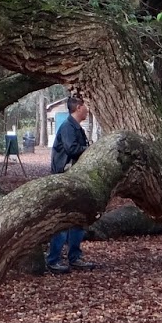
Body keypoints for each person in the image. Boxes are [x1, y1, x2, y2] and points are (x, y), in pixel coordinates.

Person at [47, 96, 95, 274]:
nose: (87, 110)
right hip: (64, 179)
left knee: (78, 219)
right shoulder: (68, 127)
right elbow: (72, 149)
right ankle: (53, 260)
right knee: (62, 220)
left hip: (75, 179)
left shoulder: (77, 128)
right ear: (78, 107)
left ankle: (75, 257)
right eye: (85, 106)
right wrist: (90, 150)